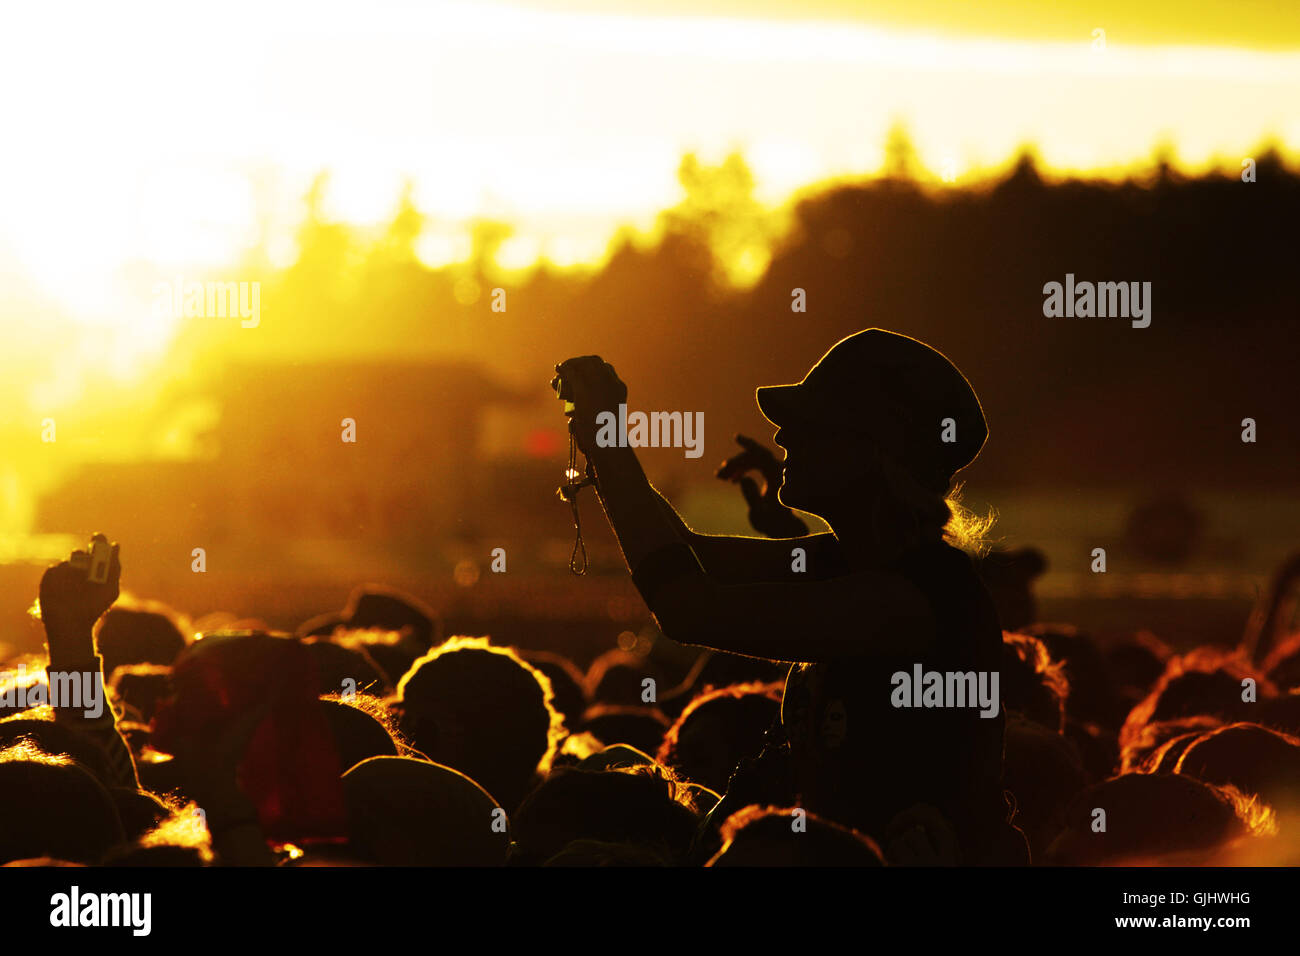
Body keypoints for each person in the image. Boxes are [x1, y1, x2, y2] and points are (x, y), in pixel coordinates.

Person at [553, 328, 1019, 862]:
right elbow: (689, 551)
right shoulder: (849, 563)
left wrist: (612, 451)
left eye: (808, 424)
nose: (782, 438)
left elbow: (687, 607)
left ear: (875, 450)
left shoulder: (913, 598)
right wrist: (609, 446)